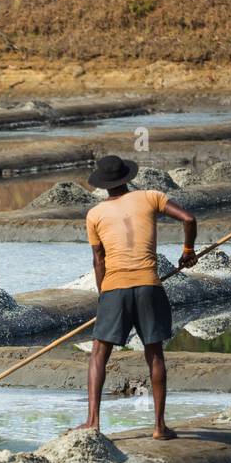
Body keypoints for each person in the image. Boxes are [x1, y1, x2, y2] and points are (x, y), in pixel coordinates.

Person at [81, 155, 197, 440]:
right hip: (149, 285)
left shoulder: (94, 214)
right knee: (154, 353)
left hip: (114, 288)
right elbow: (189, 219)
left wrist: (104, 296)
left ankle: (93, 422)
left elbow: (99, 261)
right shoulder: (150, 197)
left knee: (98, 354)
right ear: (127, 178)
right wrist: (187, 251)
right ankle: (159, 427)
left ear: (104, 185)